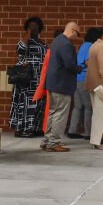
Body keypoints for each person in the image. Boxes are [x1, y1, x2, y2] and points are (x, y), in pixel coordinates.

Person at [38, 19, 80, 152]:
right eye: (77, 34)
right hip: (62, 84)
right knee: (60, 114)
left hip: (53, 83)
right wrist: (79, 68)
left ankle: (46, 140)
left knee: (53, 112)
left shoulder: (57, 41)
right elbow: (69, 65)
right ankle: (54, 142)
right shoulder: (66, 44)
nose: (77, 37)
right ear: (73, 31)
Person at [9, 16, 47, 138]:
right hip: (27, 80)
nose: (34, 28)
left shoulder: (42, 43)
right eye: (31, 26)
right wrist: (28, 33)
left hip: (39, 80)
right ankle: (23, 129)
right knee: (25, 104)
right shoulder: (25, 41)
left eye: (36, 26)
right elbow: (20, 49)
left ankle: (35, 128)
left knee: (39, 104)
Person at [72, 28, 101, 139]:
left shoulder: (83, 46)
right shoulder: (89, 46)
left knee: (77, 106)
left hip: (77, 78)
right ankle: (87, 132)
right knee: (88, 107)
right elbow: (88, 62)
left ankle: (72, 130)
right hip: (85, 78)